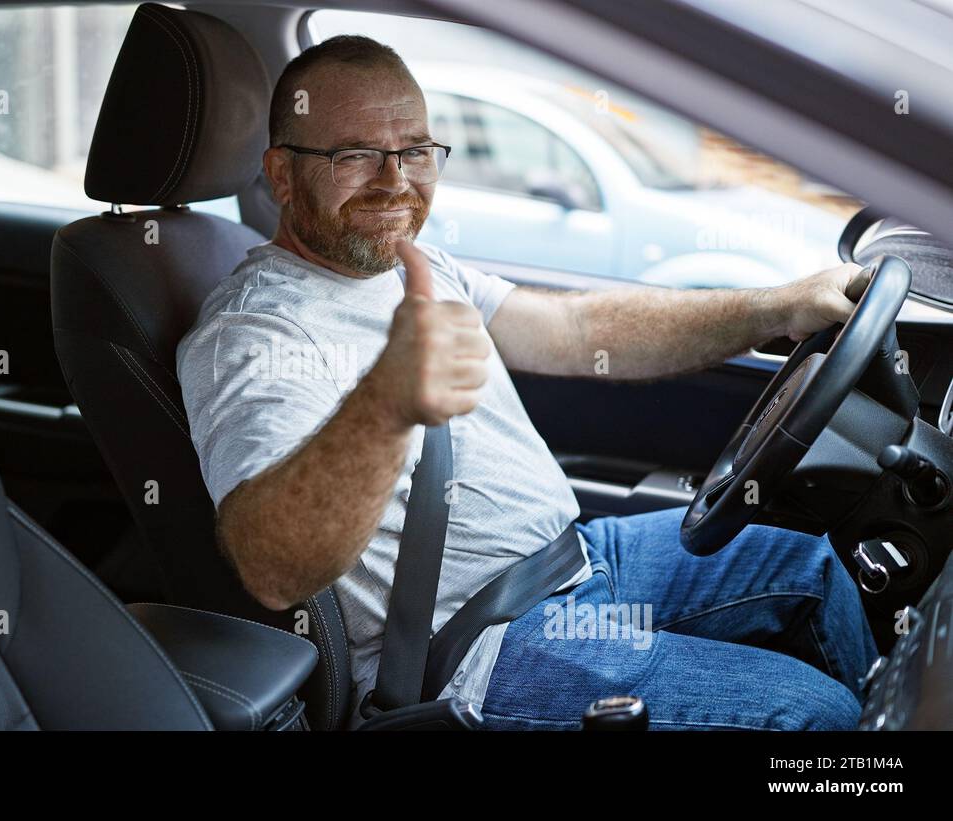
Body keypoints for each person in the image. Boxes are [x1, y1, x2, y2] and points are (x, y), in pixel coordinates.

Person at [176, 35, 878, 729]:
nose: (394, 180)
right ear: (282, 173)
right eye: (354, 154)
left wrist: (776, 307)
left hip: (579, 559)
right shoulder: (254, 333)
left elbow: (579, 331)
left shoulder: (414, 266)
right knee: (817, 716)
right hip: (478, 646)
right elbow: (271, 565)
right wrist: (387, 403)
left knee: (814, 559)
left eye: (415, 150)